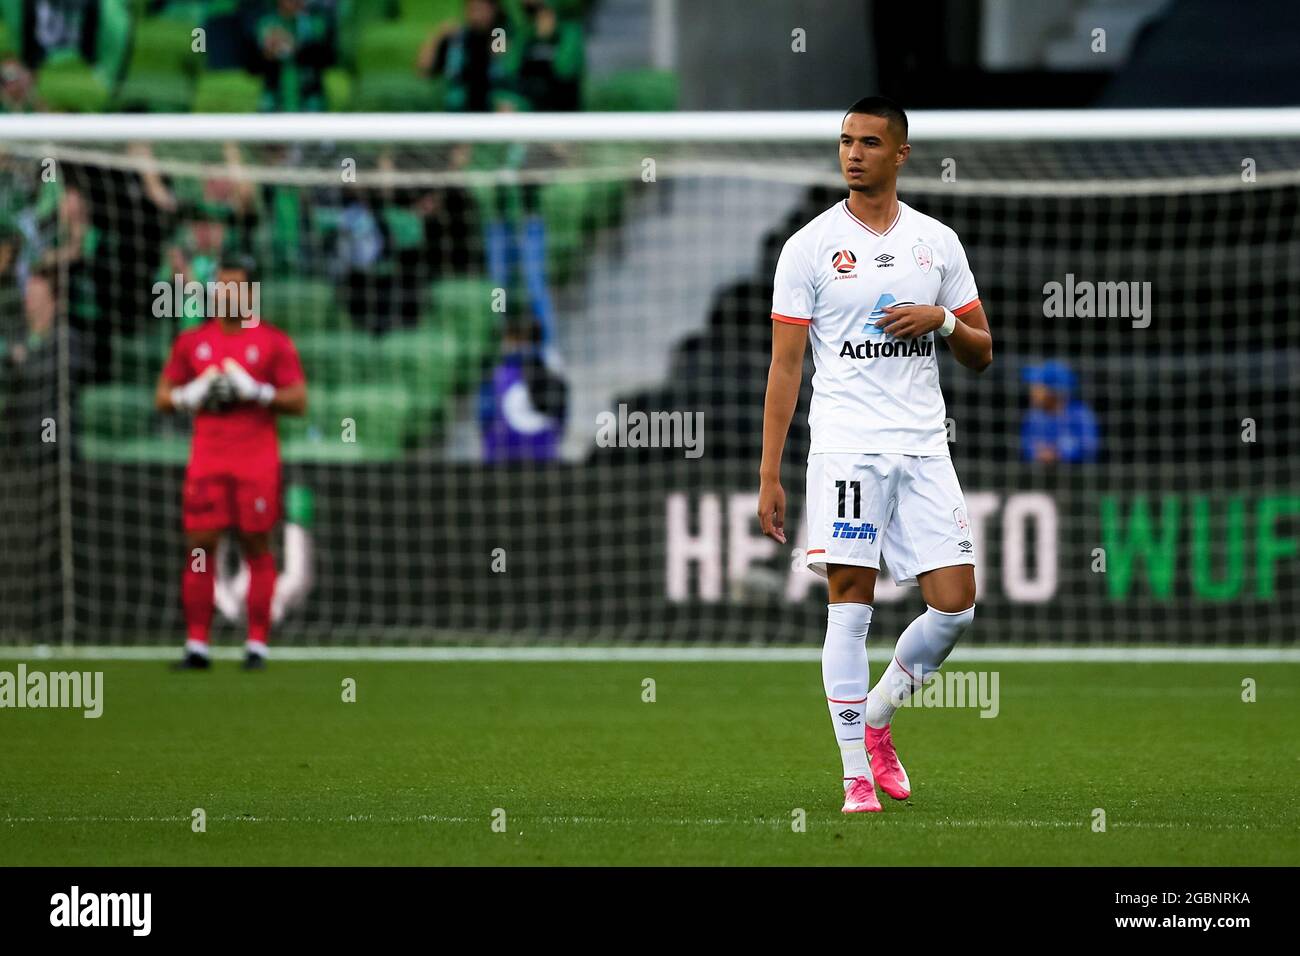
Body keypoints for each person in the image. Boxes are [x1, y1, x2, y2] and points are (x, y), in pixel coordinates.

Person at [757, 97, 993, 813]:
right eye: (844, 142)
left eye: (867, 142)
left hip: (923, 447)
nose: (852, 154)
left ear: (900, 154)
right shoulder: (808, 248)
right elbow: (786, 366)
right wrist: (769, 472)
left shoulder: (937, 245)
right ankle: (855, 772)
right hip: (848, 449)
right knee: (849, 605)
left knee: (955, 607)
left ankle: (882, 714)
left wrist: (944, 319)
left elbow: (982, 354)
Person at [155, 255, 307, 670]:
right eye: (222, 286)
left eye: (236, 286)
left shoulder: (272, 341)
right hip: (207, 459)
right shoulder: (192, 342)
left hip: (255, 461)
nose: (227, 295)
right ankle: (197, 645)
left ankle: (257, 644)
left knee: (256, 546)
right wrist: (190, 394)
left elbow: (299, 399)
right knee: (200, 548)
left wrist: (257, 391)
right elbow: (163, 396)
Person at [478, 315, 566, 462]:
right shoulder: (555, 378)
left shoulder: (494, 378)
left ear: (515, 340)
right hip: (546, 463)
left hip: (499, 464)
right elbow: (560, 425)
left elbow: (484, 420)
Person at [1019, 360, 1100, 464]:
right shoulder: (1033, 416)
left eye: (1038, 386)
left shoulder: (1080, 415)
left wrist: (1059, 454)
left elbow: (1090, 449)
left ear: (1054, 390)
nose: (1032, 391)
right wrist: (1037, 453)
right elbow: (1025, 447)